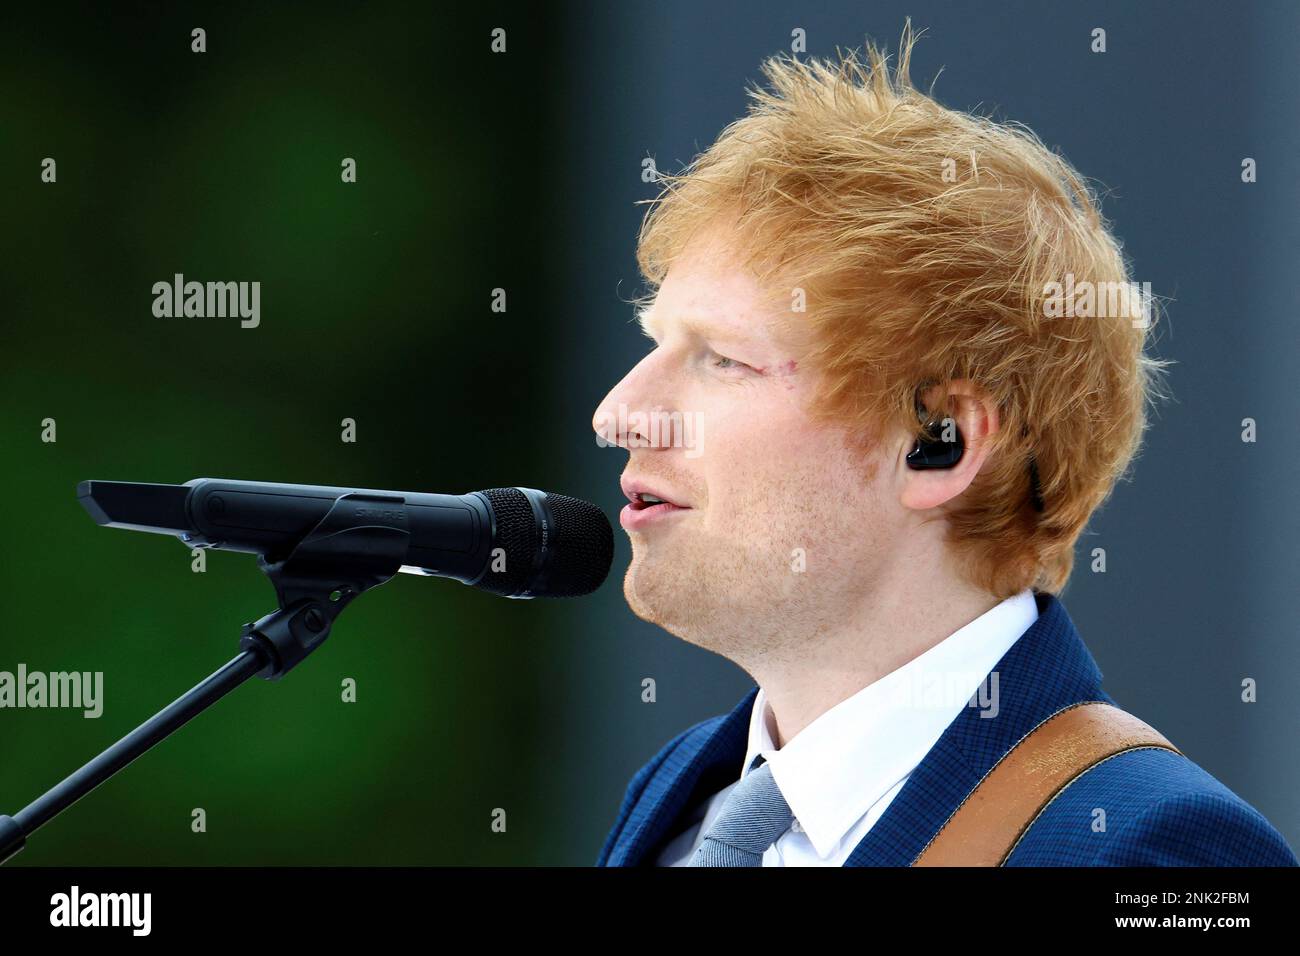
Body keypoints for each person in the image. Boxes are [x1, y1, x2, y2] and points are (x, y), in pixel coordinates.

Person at [589, 25, 1297, 867]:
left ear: (941, 442)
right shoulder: (677, 796)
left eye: (723, 360)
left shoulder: (1149, 850)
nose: (619, 413)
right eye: (655, 344)